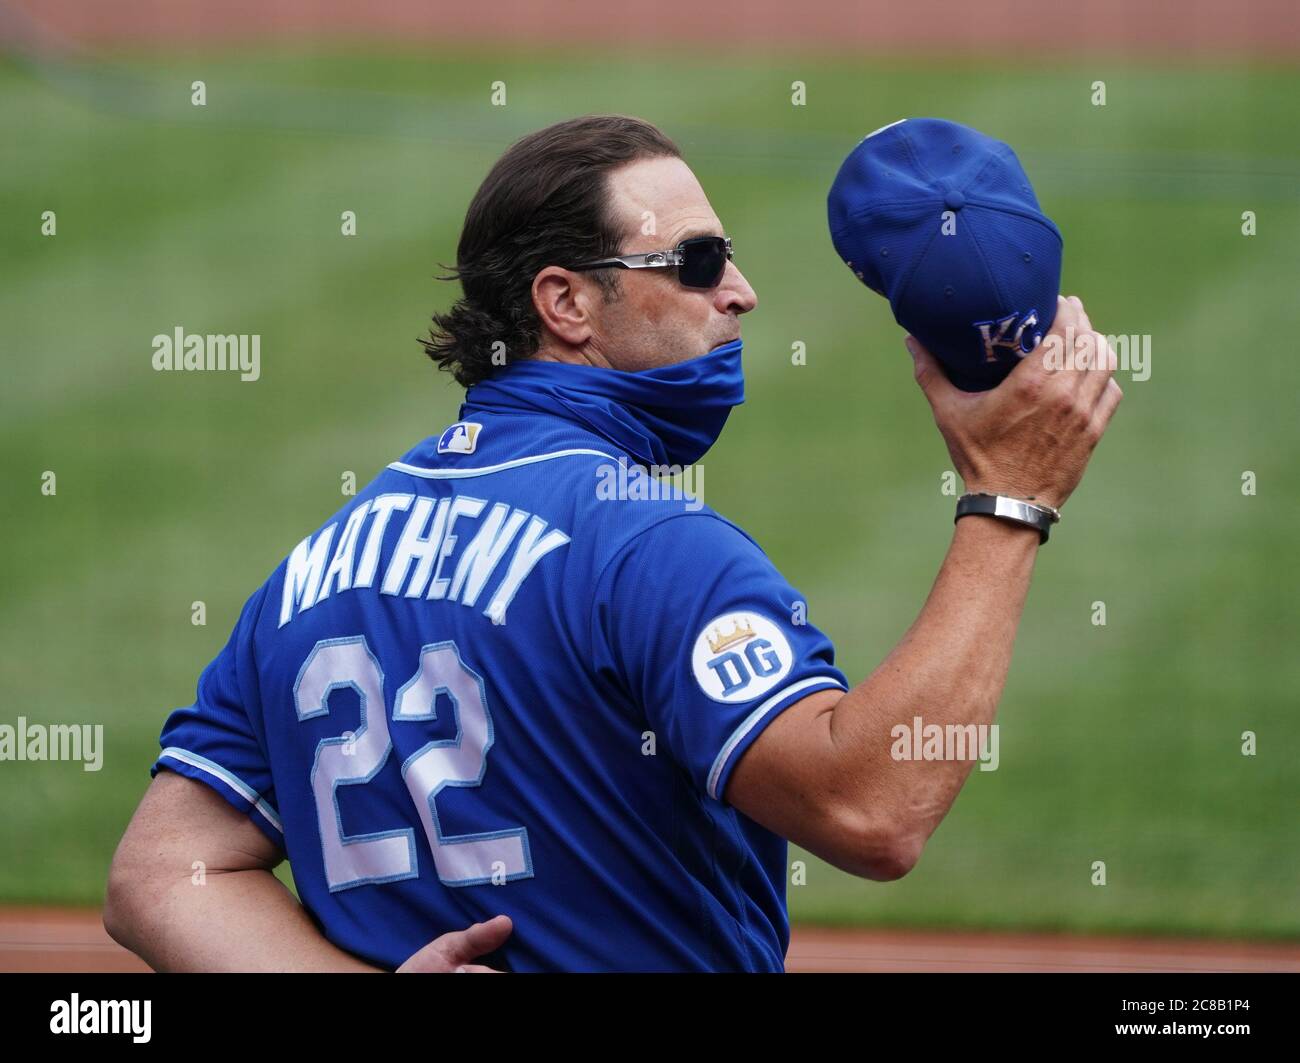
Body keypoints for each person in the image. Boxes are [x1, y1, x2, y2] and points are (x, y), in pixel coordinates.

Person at [105, 115, 1121, 972]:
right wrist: (1009, 499)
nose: (742, 291)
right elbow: (870, 811)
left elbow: (161, 875)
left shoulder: (316, 566)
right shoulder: (645, 548)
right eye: (698, 261)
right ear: (566, 302)